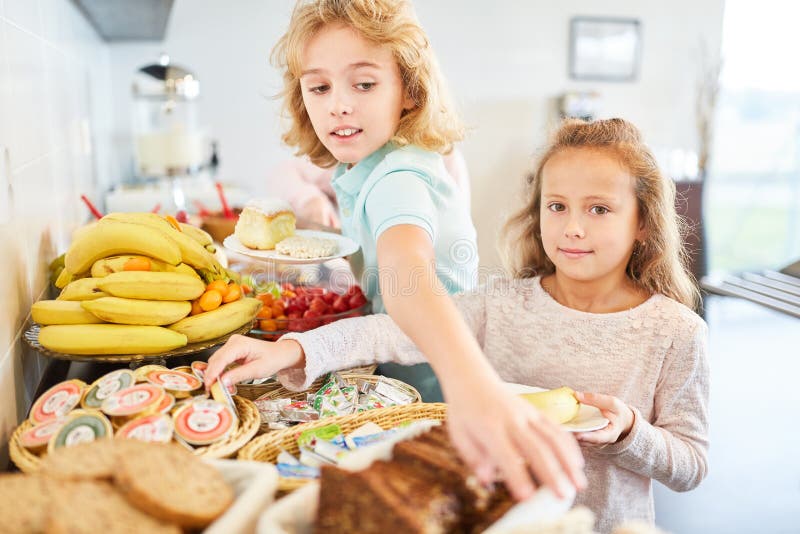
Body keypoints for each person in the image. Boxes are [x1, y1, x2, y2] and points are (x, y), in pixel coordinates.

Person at [207, 118, 708, 531]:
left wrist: (629, 432)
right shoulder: (501, 304)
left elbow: (690, 466)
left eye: (599, 209)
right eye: (557, 206)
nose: (572, 227)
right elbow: (394, 329)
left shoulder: (675, 331)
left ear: (642, 221)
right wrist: (293, 350)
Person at [207, 0, 586, 502]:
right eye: (319, 86)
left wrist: (475, 389)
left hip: (435, 397)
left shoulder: (398, 178)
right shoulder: (373, 164)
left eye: (364, 84)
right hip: (404, 377)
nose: (338, 104)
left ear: (408, 91)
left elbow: (409, 279)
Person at [265, 148, 472, 228]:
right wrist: (309, 200)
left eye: (366, 86)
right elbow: (282, 173)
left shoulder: (444, 160)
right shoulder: (351, 153)